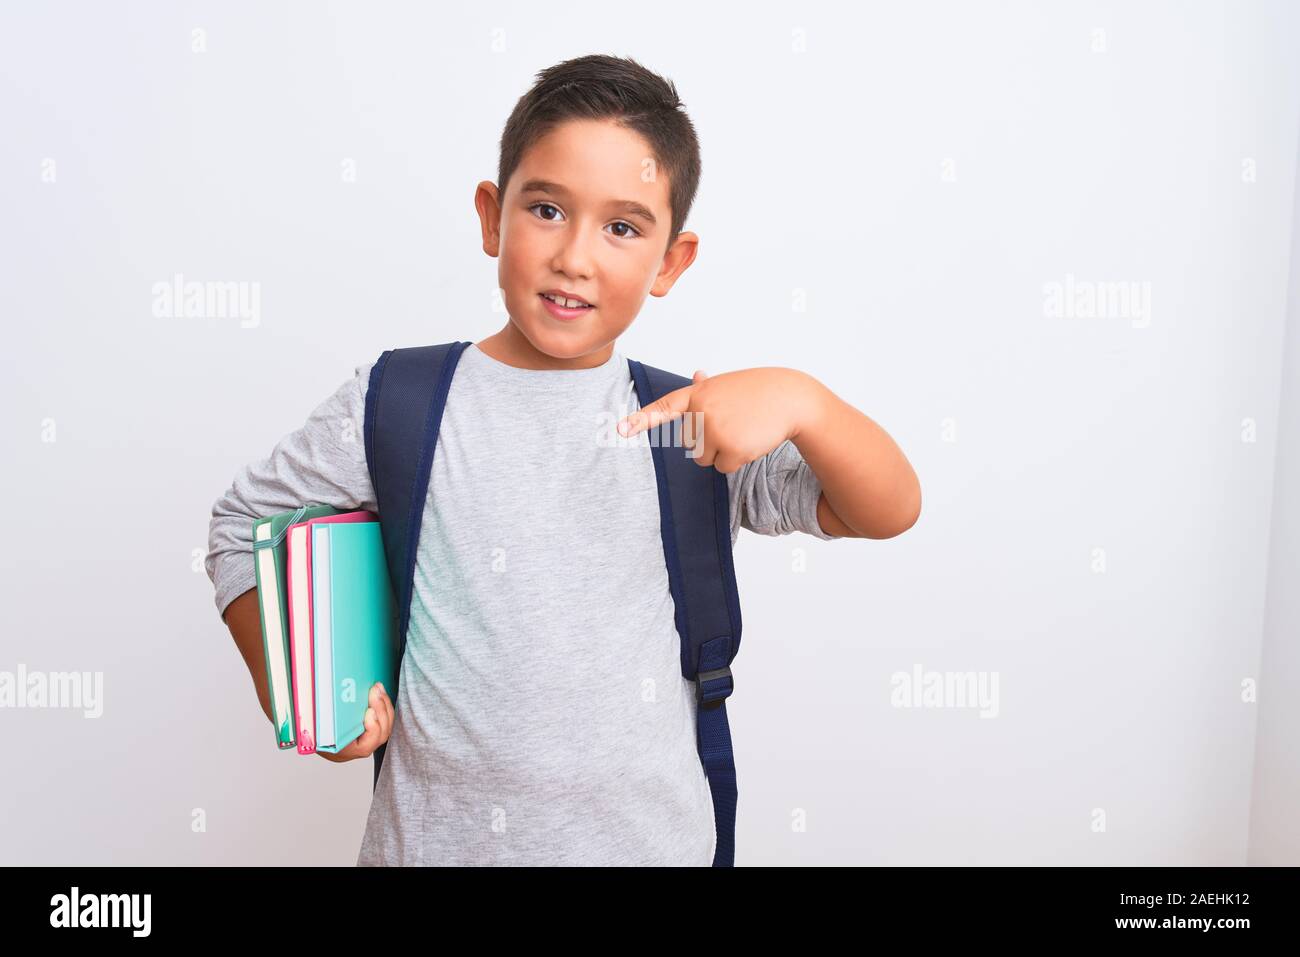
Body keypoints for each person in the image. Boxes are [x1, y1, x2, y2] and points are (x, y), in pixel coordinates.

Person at [206, 53, 921, 866]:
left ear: (670, 263)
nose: (576, 256)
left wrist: (808, 400)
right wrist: (300, 697)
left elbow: (888, 507)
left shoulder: (690, 425)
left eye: (623, 227)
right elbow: (241, 524)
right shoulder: (399, 401)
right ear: (491, 216)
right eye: (546, 208)